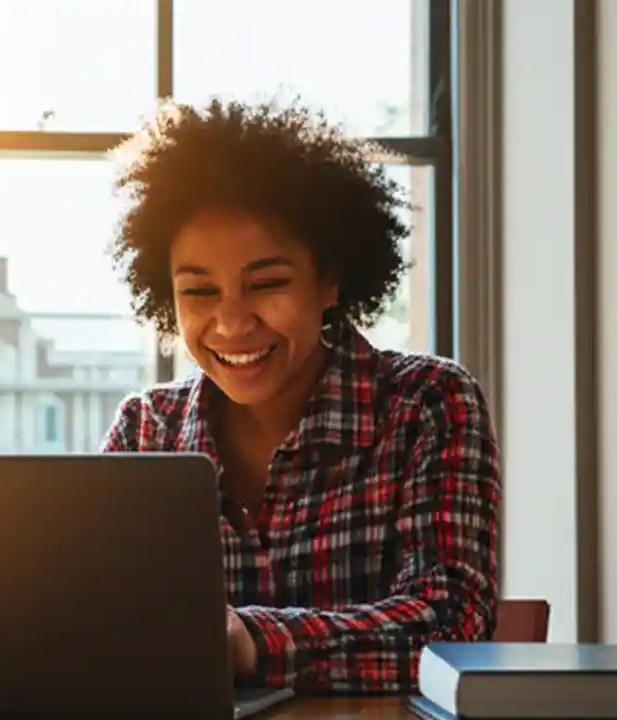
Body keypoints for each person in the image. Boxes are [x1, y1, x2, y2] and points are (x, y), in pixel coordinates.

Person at [101, 99, 501, 695]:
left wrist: (252, 643)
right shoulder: (145, 429)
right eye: (199, 290)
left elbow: (452, 627)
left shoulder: (427, 406)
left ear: (331, 279)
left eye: (266, 284)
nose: (232, 323)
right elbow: (92, 623)